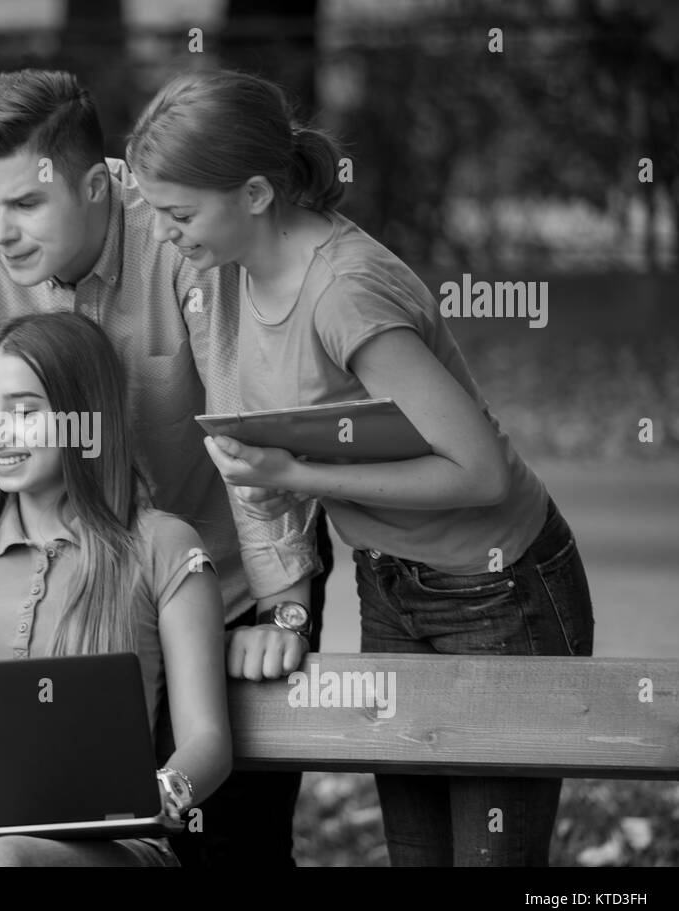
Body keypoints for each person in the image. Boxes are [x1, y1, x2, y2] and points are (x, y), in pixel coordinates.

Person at [0, 68, 331, 868]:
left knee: (241, 842)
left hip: (217, 569)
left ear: (93, 186)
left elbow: (244, 421)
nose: (1, 229)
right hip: (78, 594)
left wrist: (282, 608)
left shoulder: (177, 236)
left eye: (26, 204)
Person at [127, 69, 595, 866]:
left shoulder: (345, 293)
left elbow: (479, 473)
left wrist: (292, 473)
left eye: (178, 214)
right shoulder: (222, 268)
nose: (165, 232)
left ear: (255, 193)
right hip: (389, 581)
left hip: (498, 589)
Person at [0, 312, 232, 866]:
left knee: (3, 861)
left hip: (114, 846)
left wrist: (166, 790)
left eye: (24, 412)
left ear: (85, 420)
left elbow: (208, 741)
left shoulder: (164, 546)